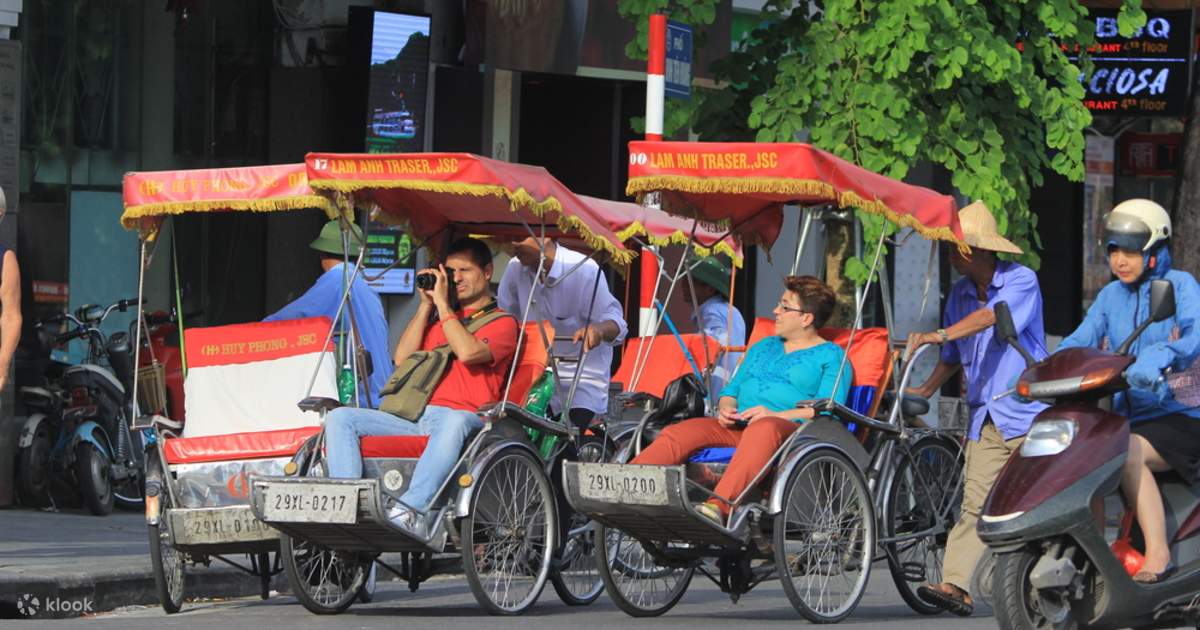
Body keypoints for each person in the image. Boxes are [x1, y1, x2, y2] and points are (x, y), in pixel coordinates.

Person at [322, 237, 519, 535]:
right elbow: (402, 357)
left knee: (451, 421)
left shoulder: (503, 322)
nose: (456, 278)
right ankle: (346, 510)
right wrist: (426, 307)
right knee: (341, 417)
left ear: (488, 271)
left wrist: (443, 305)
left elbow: (468, 352)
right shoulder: (440, 320)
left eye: (465, 270)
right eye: (450, 271)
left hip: (467, 421)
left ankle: (408, 513)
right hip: (418, 417)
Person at [909, 201, 1049, 616]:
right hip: (985, 418)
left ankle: (1043, 583)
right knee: (975, 504)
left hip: (1027, 410)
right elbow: (952, 354)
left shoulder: (1022, 280)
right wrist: (924, 388)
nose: (952, 256)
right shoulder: (959, 293)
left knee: (1036, 503)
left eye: (956, 248)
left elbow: (990, 319)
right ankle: (956, 584)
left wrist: (937, 333)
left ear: (977, 250)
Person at [1055, 199, 1200, 584]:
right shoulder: (1109, 297)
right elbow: (1080, 340)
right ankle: (1092, 560)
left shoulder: (1180, 286)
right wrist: (1042, 370)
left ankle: (1158, 553)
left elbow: (1195, 335)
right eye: (1115, 249)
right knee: (1088, 452)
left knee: (1127, 451)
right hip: (1128, 420)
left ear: (1154, 252)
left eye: (1131, 251)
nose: (1120, 260)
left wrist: (1162, 355)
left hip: (1182, 416)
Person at [631, 275, 850, 524]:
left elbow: (828, 408)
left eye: (785, 306)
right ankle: (627, 485)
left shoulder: (831, 356)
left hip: (792, 434)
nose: (775, 311)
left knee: (764, 428)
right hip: (739, 425)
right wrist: (726, 408)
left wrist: (772, 416)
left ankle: (719, 506)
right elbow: (731, 390)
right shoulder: (764, 346)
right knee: (681, 431)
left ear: (806, 318)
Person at [497, 237, 626, 429]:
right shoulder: (515, 268)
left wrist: (598, 330)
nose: (513, 244)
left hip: (581, 380)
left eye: (520, 238)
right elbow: (504, 318)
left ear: (545, 235)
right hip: (534, 377)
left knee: (564, 440)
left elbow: (617, 322)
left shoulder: (584, 269)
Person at [264, 220, 391, 408]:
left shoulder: (336, 280)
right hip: (383, 396)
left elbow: (285, 321)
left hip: (359, 399)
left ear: (322, 254)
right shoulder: (368, 290)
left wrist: (250, 334)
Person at [681, 255, 746, 402]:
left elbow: (711, 345)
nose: (683, 284)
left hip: (716, 387)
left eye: (691, 281)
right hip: (733, 385)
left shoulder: (710, 310)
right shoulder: (731, 310)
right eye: (685, 279)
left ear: (710, 289)